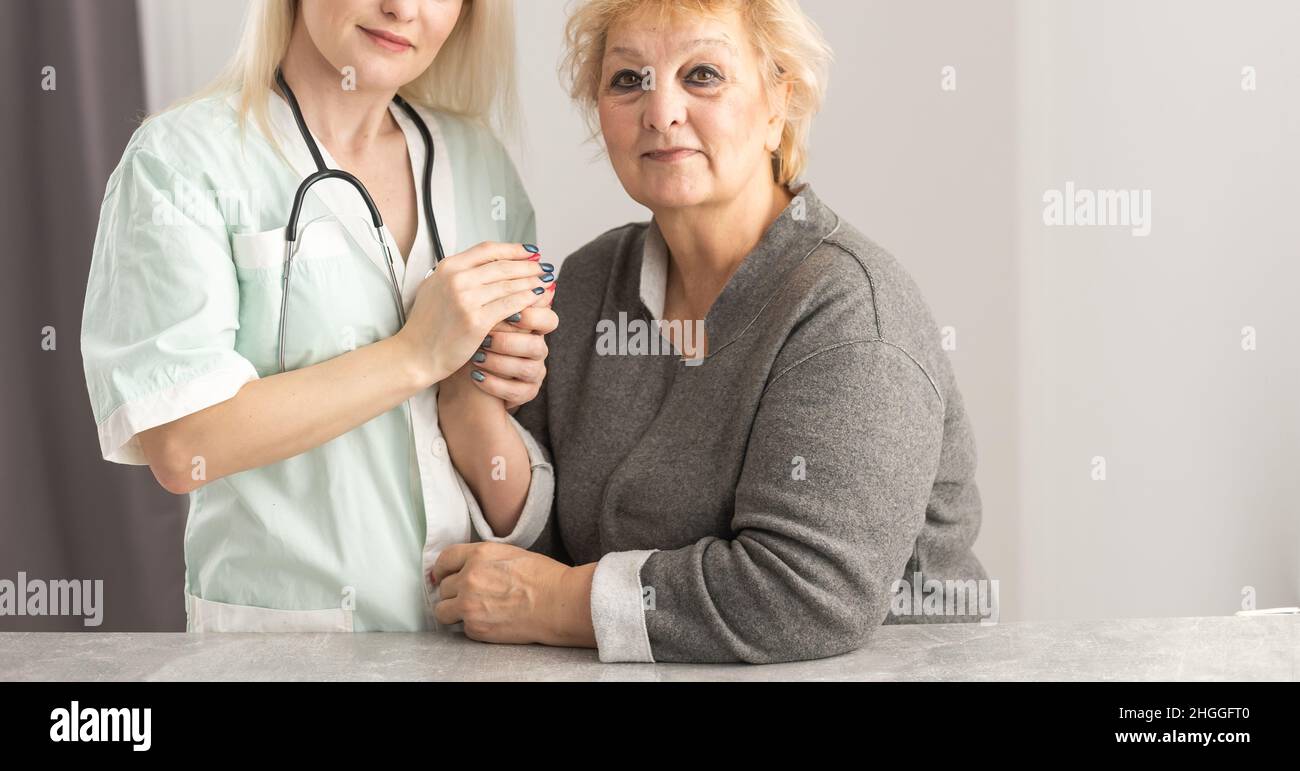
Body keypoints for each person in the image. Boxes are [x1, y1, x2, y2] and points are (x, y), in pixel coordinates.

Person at [432, 0, 990, 663]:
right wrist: (465, 401)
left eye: (701, 75)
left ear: (778, 99)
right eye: (627, 79)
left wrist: (553, 602)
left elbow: (807, 595)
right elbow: (548, 542)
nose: (660, 112)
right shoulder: (590, 282)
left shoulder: (849, 313)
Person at [81, 0, 556, 632]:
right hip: (282, 653)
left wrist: (472, 397)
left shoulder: (479, 164)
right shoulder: (181, 160)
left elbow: (503, 478)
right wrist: (416, 354)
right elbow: (182, 443)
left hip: (469, 648)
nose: (402, 8)